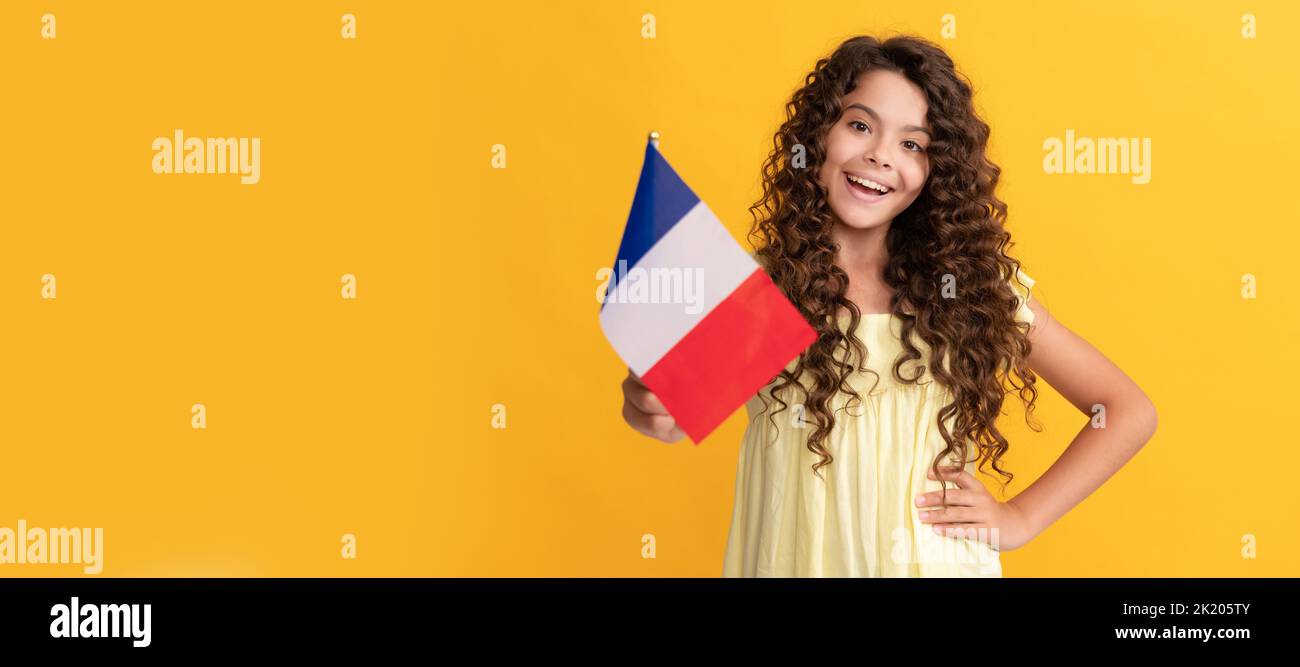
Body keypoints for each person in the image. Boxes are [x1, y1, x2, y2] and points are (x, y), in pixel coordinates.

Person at [619, 34, 1158, 577]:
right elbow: (667, 416)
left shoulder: (970, 288)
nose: (879, 154)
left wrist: (1019, 517)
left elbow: (1125, 409)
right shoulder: (757, 290)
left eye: (912, 144)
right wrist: (650, 403)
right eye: (859, 125)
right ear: (818, 136)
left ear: (935, 173)